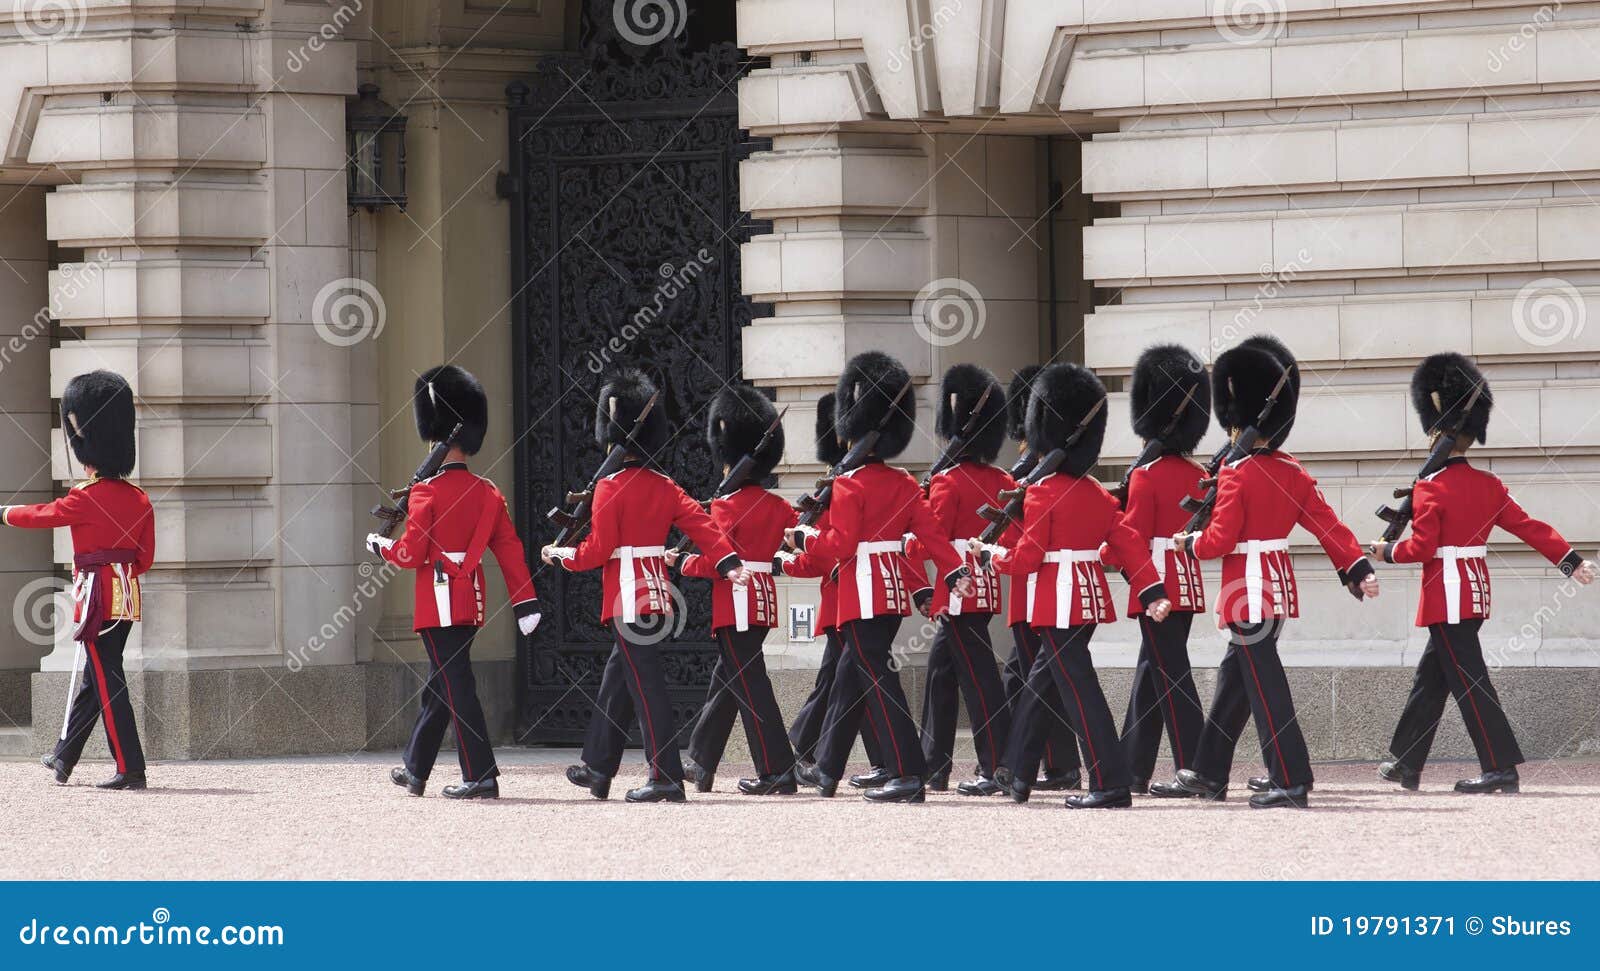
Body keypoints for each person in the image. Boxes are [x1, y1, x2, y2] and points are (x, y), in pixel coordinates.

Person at [1153, 335, 1379, 809]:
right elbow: (1327, 525)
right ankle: (1209, 773)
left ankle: (1291, 779)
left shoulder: (1238, 474)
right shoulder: (1291, 470)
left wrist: (1188, 543)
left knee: (1265, 690)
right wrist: (1355, 566)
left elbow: (1219, 542)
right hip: (1275, 589)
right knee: (1235, 682)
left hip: (1246, 591)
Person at [1374, 352, 1595, 794]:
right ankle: (1406, 762)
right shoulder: (1488, 485)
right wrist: (1568, 560)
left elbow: (1422, 548)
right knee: (1431, 679)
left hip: (1447, 596)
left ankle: (1500, 768)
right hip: (1473, 594)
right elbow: (1529, 527)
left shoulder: (1430, 488)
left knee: (1470, 685)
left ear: (1435, 431)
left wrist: (1387, 553)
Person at [544, 370, 748, 803]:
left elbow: (598, 551)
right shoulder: (666, 487)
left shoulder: (609, 487)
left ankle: (666, 776)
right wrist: (728, 561)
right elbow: (704, 525)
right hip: (656, 594)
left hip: (625, 596)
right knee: (620, 678)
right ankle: (598, 767)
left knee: (646, 686)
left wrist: (562, 555)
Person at [977, 363, 1172, 809]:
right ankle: (1018, 773)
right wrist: (1152, 591)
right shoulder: (1094, 493)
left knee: (1082, 694)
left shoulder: (1043, 493)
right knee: (1039, 686)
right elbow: (1129, 544)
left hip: (1058, 602)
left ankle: (1109, 782)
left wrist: (990, 556)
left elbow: (1027, 560)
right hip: (1085, 603)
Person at [788, 351, 975, 804]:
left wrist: (803, 538)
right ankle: (829, 768)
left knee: (877, 682)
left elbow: (840, 547)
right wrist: (955, 572)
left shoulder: (850, 485)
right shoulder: (904, 484)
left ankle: (908, 775)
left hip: (861, 594)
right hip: (889, 595)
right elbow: (932, 537)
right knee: (855, 676)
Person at [368, 365, 541, 800]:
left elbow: (410, 554)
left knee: (456, 684)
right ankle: (416, 767)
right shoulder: (488, 492)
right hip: (472, 599)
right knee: (443, 683)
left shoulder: (427, 492)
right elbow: (510, 551)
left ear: (434, 435)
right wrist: (525, 603)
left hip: (439, 601)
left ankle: (480, 773)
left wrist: (378, 546)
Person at [7, 371, 154, 791]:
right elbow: (144, 560)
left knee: (109, 682)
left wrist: (3, 513)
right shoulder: (139, 498)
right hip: (125, 598)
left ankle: (131, 767)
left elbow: (41, 515)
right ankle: (64, 755)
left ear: (89, 450)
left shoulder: (85, 497)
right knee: (98, 677)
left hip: (95, 598)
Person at [674, 384, 799, 795]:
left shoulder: (725, 507)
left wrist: (680, 562)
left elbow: (718, 562)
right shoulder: (779, 506)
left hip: (736, 601)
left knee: (750, 686)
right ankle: (702, 761)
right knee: (729, 680)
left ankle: (777, 769)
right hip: (763, 601)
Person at [908, 364, 1014, 796]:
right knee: (940, 675)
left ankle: (998, 765)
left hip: (957, 591)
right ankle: (934, 765)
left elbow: (932, 539)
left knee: (980, 680)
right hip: (983, 586)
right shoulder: (1002, 481)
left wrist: (907, 537)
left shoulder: (948, 484)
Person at [778, 393, 890, 785]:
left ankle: (806, 749)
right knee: (846, 681)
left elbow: (829, 553)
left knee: (846, 681)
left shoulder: (844, 487)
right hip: (842, 600)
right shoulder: (834, 488)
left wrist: (795, 551)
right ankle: (870, 760)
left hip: (849, 598)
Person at [1116, 345, 1211, 793]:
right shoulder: (1197, 473)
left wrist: (1102, 552)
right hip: (1187, 583)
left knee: (1172, 678)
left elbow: (1130, 536)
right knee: (1151, 676)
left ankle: (1199, 767)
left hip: (1154, 585)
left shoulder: (1146, 475)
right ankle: (1130, 769)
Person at [998, 366, 1080, 792]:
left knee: (1030, 678)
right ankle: (1057, 765)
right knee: (1032, 677)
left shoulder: (1034, 471)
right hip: (1031, 587)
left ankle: (1029, 767)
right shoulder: (1029, 467)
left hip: (1037, 587)